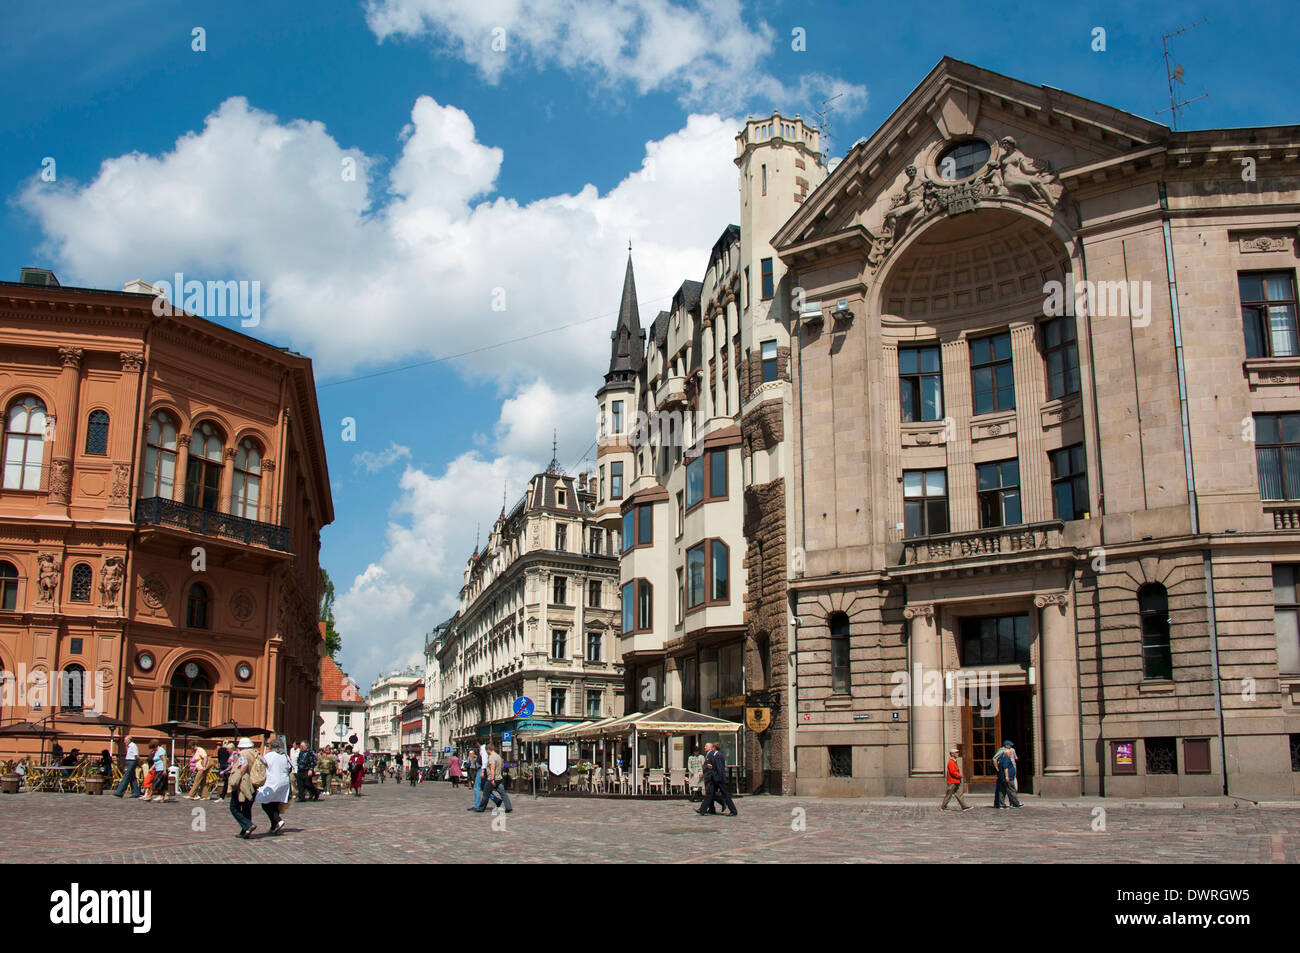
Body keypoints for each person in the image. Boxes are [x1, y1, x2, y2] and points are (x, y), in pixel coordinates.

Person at [255, 737, 292, 835]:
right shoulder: (284, 756)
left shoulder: (270, 755)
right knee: (274, 804)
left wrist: (259, 756)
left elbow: (263, 764)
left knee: (265, 803)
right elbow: (290, 768)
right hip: (284, 782)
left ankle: (278, 820)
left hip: (273, 782)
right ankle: (274, 826)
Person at [227, 737, 259, 838]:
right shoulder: (255, 753)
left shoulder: (243, 754)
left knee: (234, 807)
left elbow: (244, 765)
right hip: (253, 783)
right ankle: (245, 831)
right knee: (247, 807)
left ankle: (248, 825)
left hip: (243, 783)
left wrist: (237, 776)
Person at [477, 743, 512, 813]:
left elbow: (492, 769)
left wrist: (492, 779)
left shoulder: (491, 757)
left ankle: (481, 808)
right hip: (499, 778)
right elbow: (502, 766)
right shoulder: (498, 756)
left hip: (492, 779)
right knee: (503, 793)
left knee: (485, 794)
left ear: (488, 749)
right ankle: (508, 807)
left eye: (486, 750)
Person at [940, 746, 972, 811]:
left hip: (956, 781)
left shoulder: (954, 761)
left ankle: (964, 806)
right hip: (952, 782)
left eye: (957, 752)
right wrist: (960, 776)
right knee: (949, 795)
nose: (958, 754)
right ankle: (943, 807)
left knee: (959, 794)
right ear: (952, 754)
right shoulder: (951, 762)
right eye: (956, 752)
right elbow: (953, 772)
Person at [993, 740, 1023, 809]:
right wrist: (1004, 775)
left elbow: (1016, 758)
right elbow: (1005, 768)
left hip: (1007, 775)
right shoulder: (1004, 756)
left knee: (1003, 790)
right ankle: (1015, 803)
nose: (1011, 754)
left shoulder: (1011, 751)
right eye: (1010, 753)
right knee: (1011, 789)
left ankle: (1003, 804)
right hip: (1007, 776)